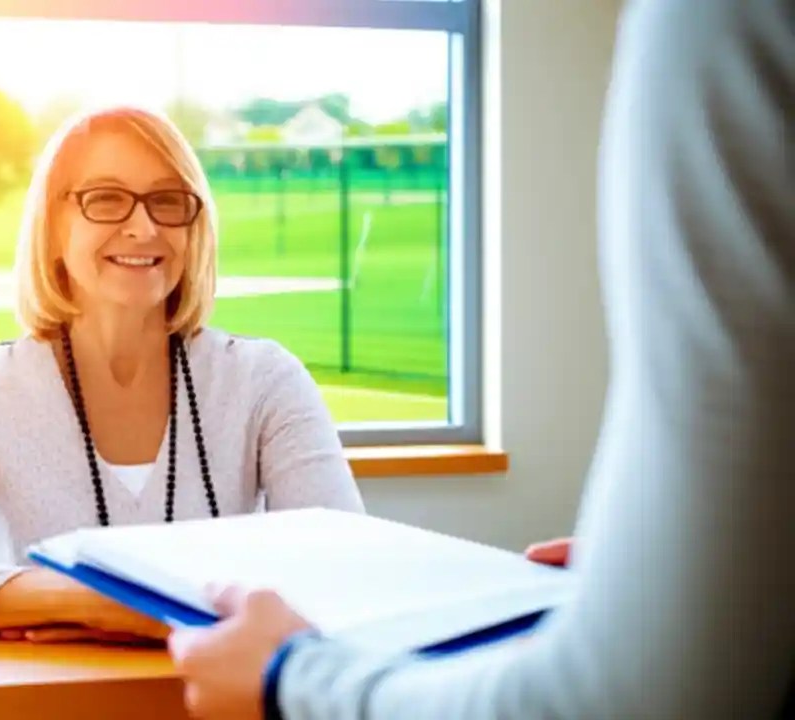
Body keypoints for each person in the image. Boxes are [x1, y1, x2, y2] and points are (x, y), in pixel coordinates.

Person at [169, 0, 794, 717]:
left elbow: (634, 699)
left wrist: (291, 682)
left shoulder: (718, 24)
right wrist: (697, 558)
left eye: (168, 201)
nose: (140, 225)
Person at [0, 105, 366, 644]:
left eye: (168, 202)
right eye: (105, 199)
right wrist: (95, 602)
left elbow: (348, 572)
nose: (143, 226)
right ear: (54, 226)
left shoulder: (265, 382)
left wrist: (114, 614)